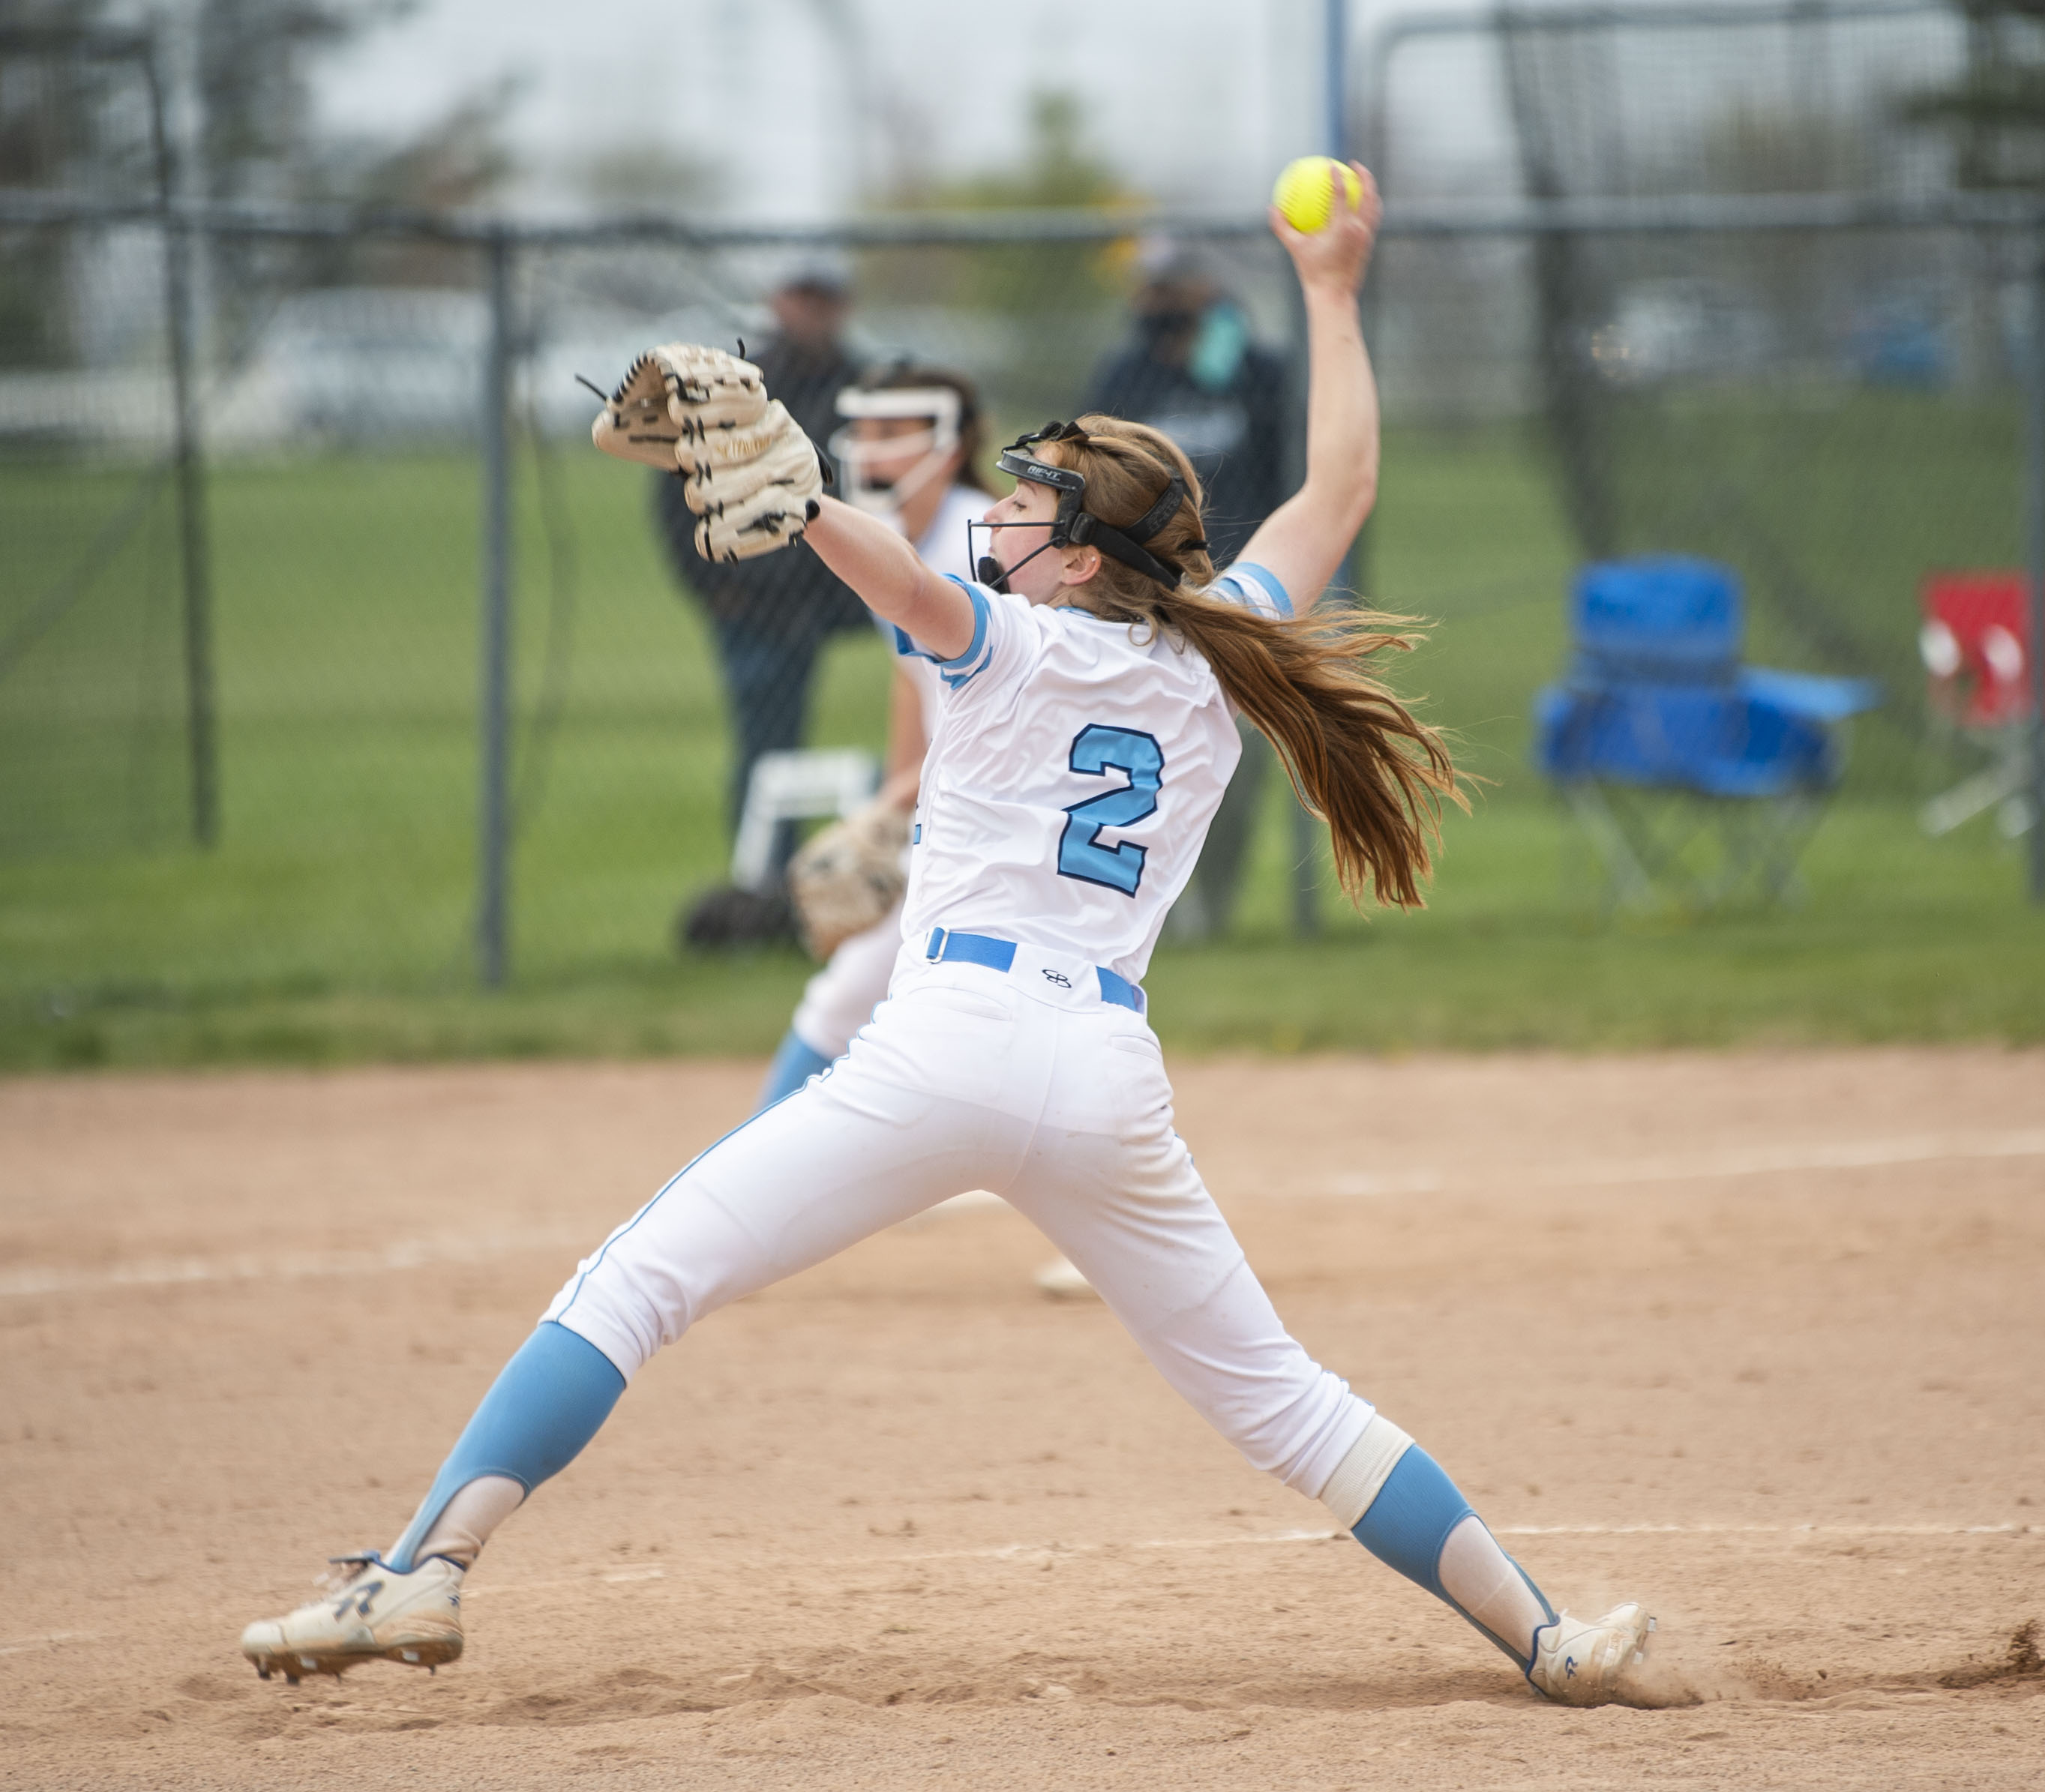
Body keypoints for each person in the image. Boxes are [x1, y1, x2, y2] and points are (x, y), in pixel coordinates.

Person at [237, 167, 1663, 1710]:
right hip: (1108, 1075)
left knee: (638, 1278)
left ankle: (421, 1571)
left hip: (946, 1050)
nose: (1003, 516)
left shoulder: (1009, 637)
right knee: (1286, 1405)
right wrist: (1330, 290)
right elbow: (1341, 491)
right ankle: (1546, 1634)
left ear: (1082, 556)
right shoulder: (1213, 656)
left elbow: (902, 576)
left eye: (1032, 508)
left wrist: (810, 502)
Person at [755, 361, 994, 1109]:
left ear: (949, 447)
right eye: (863, 430)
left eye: (894, 433)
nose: (871, 449)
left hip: (996, 807)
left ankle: (759, 1156)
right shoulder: (891, 536)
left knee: (852, 994)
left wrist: (913, 799)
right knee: (927, 992)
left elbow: (995, 706)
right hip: (955, 802)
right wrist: (899, 808)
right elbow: (910, 675)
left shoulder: (978, 542)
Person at [1084, 243, 1296, 942]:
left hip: (1237, 596)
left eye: (1176, 289)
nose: (1161, 303)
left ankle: (1213, 914)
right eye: (1152, 290)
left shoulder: (1255, 375)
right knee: (1145, 748)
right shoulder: (1123, 377)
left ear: (1209, 292)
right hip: (1139, 600)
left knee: (1233, 760)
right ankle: (1155, 916)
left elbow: (1289, 479)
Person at [666, 256, 872, 947]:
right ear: (776, 299)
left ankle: (875, 884)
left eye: (827, 297)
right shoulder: (737, 381)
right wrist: (716, 585)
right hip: (753, 598)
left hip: (839, 592)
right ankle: (768, 898)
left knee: (926, 709)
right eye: (803, 296)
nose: (815, 311)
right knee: (767, 751)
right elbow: (676, 492)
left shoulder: (857, 381)